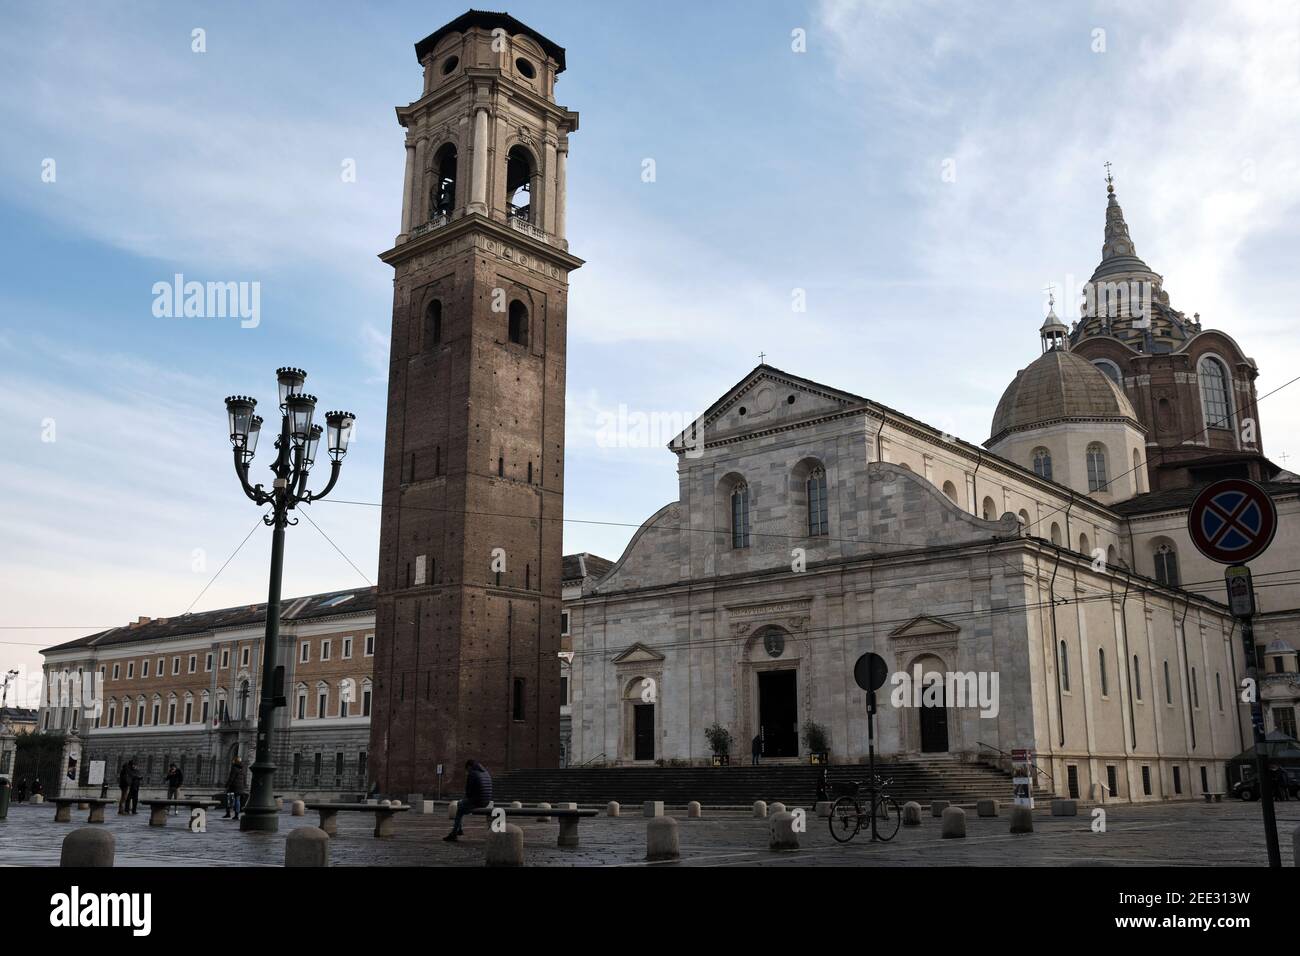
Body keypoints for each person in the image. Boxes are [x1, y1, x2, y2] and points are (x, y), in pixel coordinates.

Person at [444, 759, 492, 841]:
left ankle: (454, 833)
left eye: (467, 769)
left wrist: (465, 799)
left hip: (477, 801)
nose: (467, 771)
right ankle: (459, 830)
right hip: (486, 801)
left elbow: (468, 792)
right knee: (460, 804)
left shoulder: (472, 773)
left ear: (469, 766)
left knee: (459, 808)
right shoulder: (486, 773)